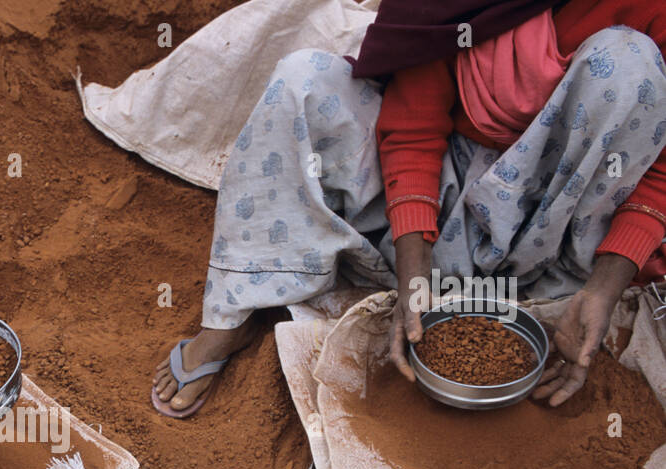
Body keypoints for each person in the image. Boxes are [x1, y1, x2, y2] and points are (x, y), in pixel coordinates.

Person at [152, 0, 666, 417]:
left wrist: (604, 289)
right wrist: (413, 276)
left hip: (554, 231)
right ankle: (240, 307)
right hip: (440, 199)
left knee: (628, 60)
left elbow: (656, 172)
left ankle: (557, 301)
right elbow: (414, 130)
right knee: (304, 78)